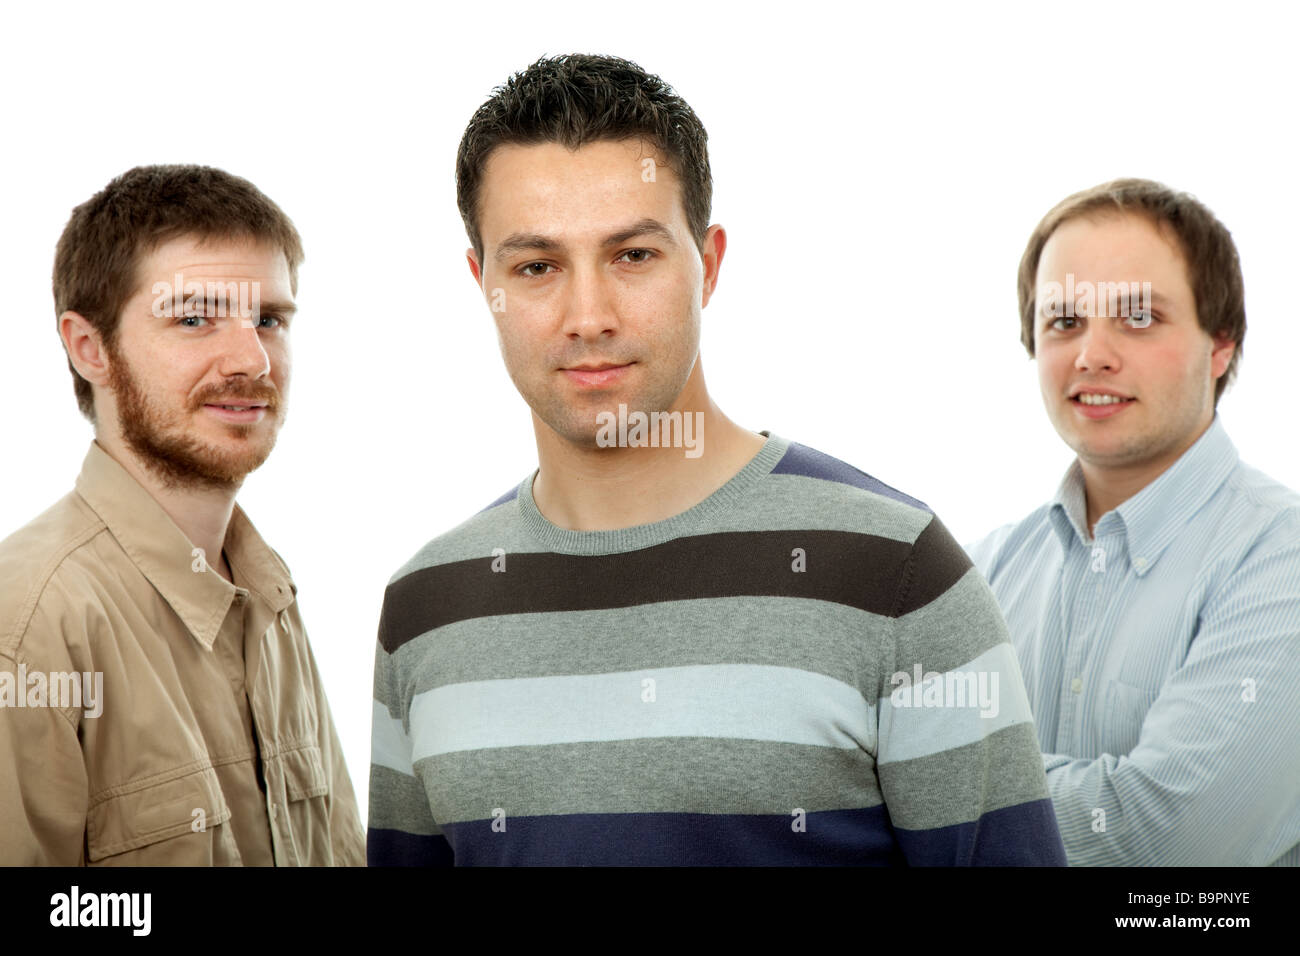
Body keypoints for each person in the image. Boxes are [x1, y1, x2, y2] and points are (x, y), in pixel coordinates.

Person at [367, 54, 1065, 866]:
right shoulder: (426, 608)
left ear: (710, 264)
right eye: (536, 267)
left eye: (633, 255)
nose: (588, 315)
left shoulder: (896, 575)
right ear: (481, 282)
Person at [0, 165, 364, 865]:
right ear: (90, 348)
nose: (252, 359)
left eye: (269, 319)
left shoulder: (269, 597)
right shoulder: (28, 624)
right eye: (195, 317)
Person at [967, 178, 1300, 865]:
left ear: (1221, 346)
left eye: (1138, 318)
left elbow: (1165, 841)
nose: (1092, 355)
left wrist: (936, 790)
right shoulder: (981, 572)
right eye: (1064, 321)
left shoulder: (1282, 561)